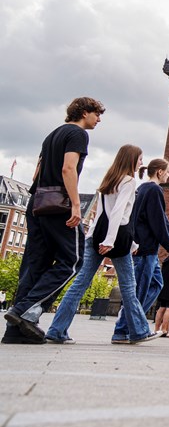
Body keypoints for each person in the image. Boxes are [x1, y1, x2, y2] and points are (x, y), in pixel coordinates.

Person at [4, 97, 104, 344]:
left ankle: (15, 333)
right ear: (84, 112)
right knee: (74, 260)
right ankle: (24, 310)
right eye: (97, 114)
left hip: (38, 204)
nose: (99, 119)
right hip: (59, 206)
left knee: (34, 264)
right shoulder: (78, 134)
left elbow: (37, 172)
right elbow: (68, 169)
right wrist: (76, 205)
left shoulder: (51, 135)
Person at [46, 145, 159, 345]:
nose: (142, 162)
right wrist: (110, 241)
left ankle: (56, 330)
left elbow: (101, 214)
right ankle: (139, 331)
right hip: (115, 240)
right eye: (140, 159)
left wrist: (93, 237)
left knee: (79, 284)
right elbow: (118, 213)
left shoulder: (109, 180)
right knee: (129, 288)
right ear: (131, 159)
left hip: (96, 237)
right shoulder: (129, 181)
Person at [113, 158, 169, 342]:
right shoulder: (154, 190)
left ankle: (134, 323)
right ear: (159, 171)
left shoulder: (142, 188)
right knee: (140, 291)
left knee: (156, 283)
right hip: (146, 249)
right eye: (167, 171)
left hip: (144, 247)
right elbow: (158, 221)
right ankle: (123, 329)